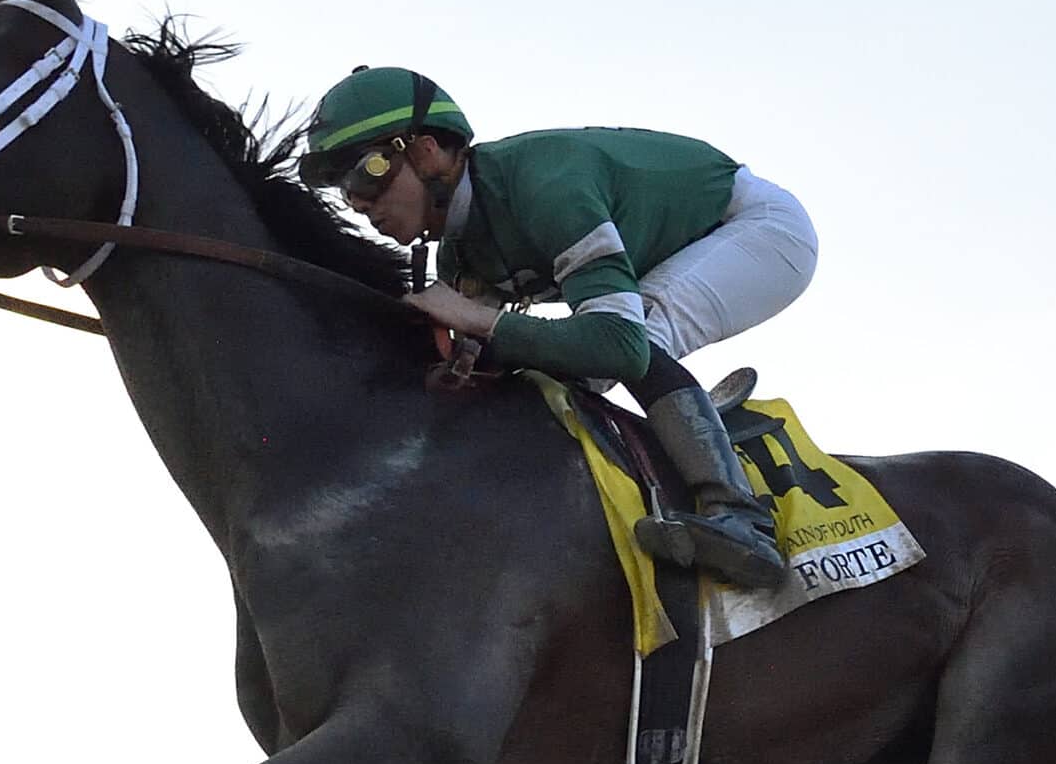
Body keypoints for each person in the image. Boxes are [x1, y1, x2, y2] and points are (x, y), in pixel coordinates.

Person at [298, 68, 817, 588]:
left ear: (428, 151)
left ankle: (740, 518)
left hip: (758, 228)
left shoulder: (544, 184)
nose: (359, 202)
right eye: (343, 190)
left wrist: (479, 319)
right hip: (665, 253)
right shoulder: (458, 253)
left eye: (369, 170)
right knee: (556, 378)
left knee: (639, 335)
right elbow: (488, 363)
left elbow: (619, 348)